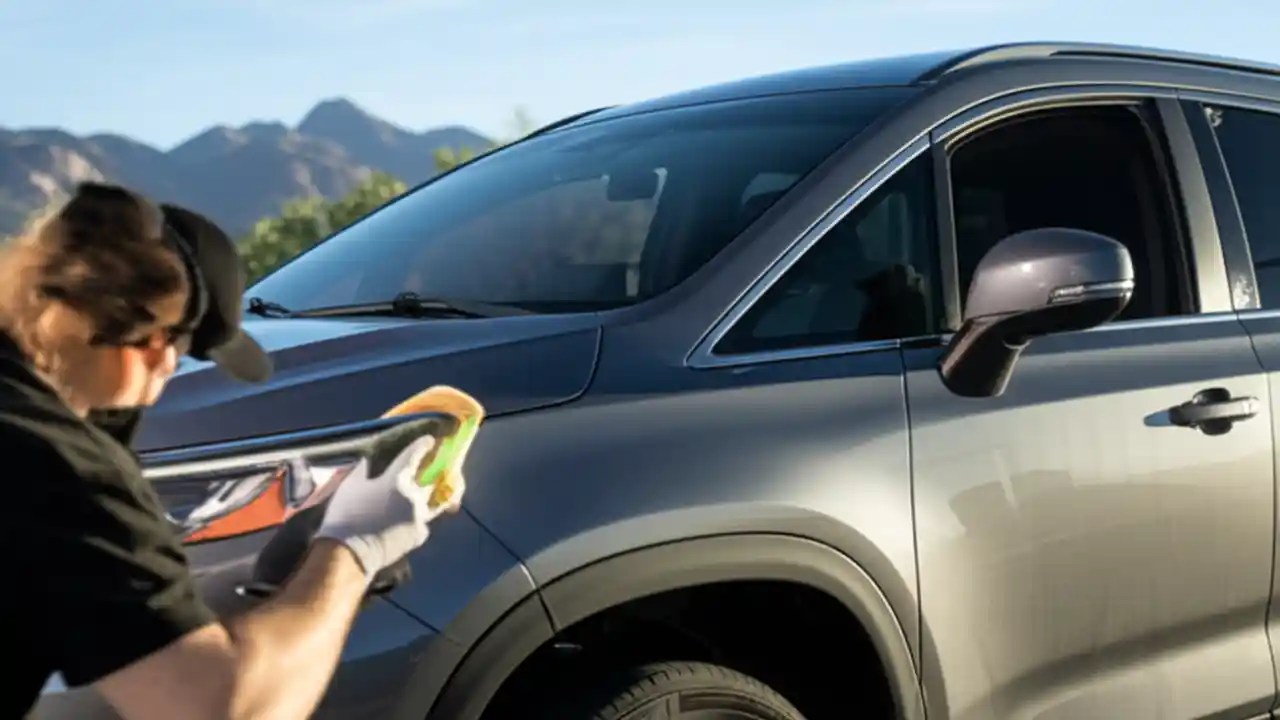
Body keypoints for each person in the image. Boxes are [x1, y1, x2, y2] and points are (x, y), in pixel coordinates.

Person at [2, 183, 447, 720]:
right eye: (187, 349)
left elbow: (98, 604)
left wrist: (270, 584)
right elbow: (222, 710)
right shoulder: (62, 468)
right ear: (155, 342)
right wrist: (354, 549)